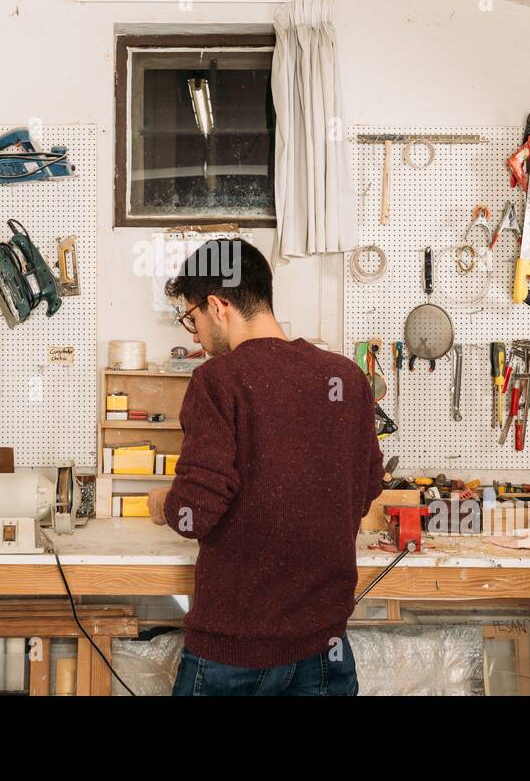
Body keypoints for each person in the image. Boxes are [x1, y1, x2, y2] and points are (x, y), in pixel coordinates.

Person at [146, 238, 382, 695]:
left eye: (190, 319)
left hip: (234, 653)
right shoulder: (346, 378)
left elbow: (197, 512)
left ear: (217, 305)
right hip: (325, 649)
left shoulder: (217, 380)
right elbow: (368, 485)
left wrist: (166, 505)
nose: (193, 336)